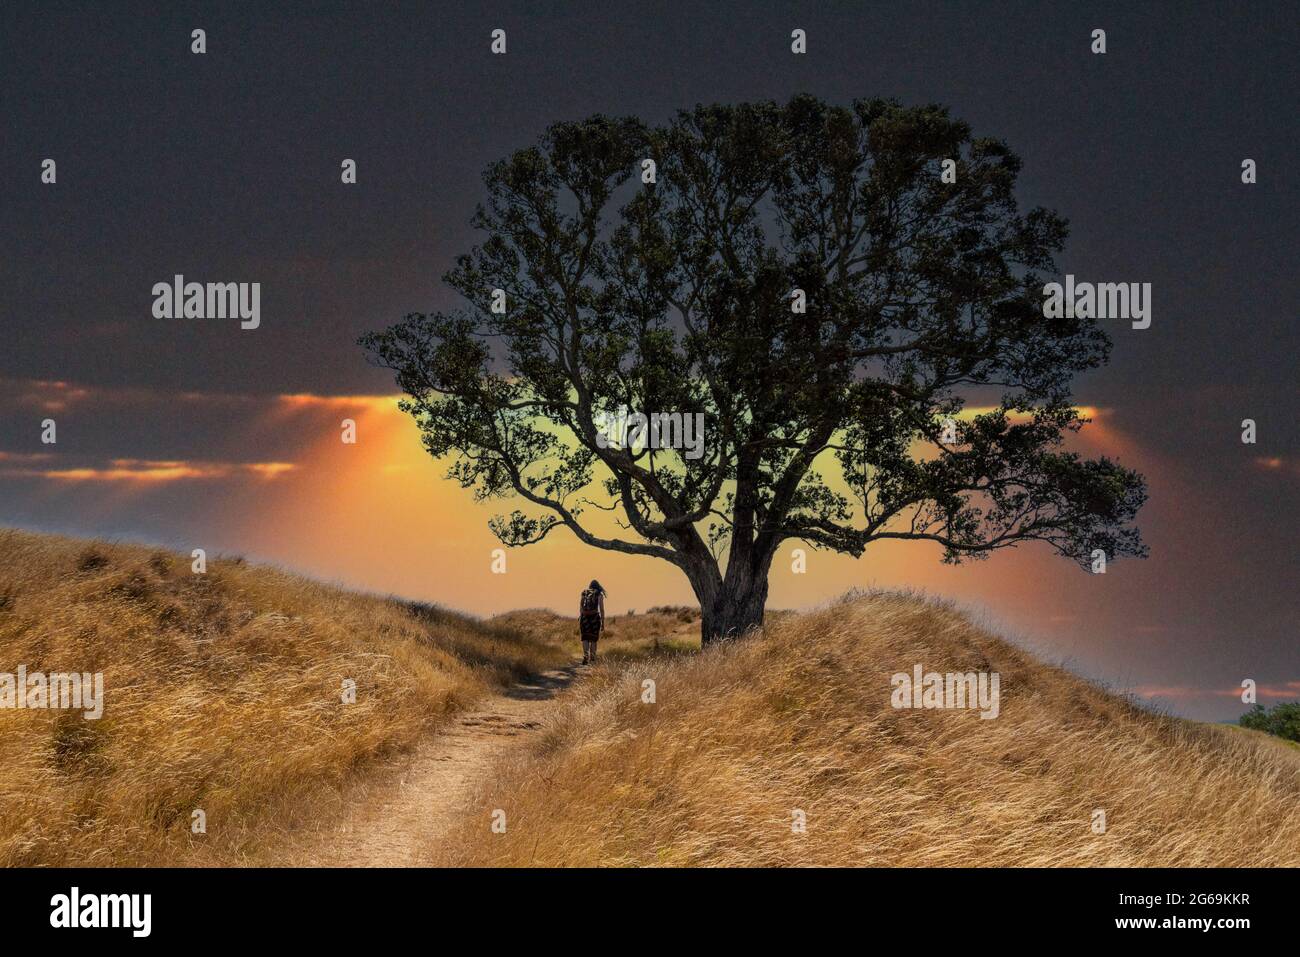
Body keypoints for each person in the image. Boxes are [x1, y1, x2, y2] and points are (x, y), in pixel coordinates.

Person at [579, 579, 605, 664]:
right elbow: (601, 609)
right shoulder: (599, 594)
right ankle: (592, 658)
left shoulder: (584, 592)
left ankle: (586, 656)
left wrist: (581, 616)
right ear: (598, 586)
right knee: (593, 639)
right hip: (594, 618)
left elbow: (581, 605)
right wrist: (602, 622)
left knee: (585, 638)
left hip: (584, 618)